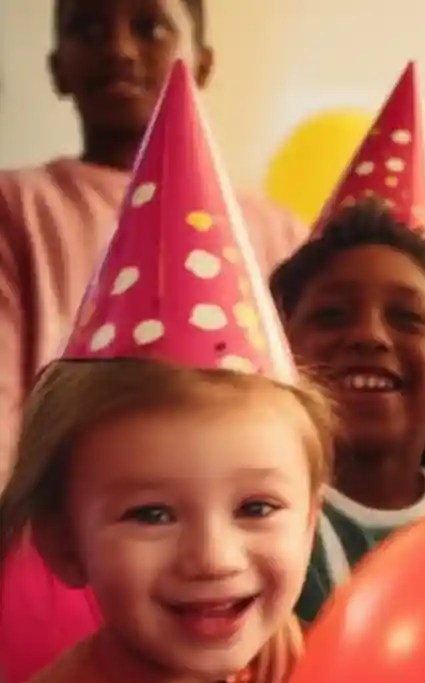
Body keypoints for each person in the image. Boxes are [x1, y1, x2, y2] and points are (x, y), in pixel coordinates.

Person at [0, 61, 331, 683]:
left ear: (313, 516)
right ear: (65, 541)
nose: (213, 558)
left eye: (258, 508)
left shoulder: (259, 670)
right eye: (152, 514)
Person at [0, 0, 305, 477]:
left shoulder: (281, 232)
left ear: (202, 63)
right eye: (88, 28)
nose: (119, 49)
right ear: (57, 67)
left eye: (150, 27)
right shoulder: (16, 206)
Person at [269, 63, 425, 623]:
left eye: (407, 318)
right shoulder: (259, 532)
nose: (369, 335)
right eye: (330, 314)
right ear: (278, 356)